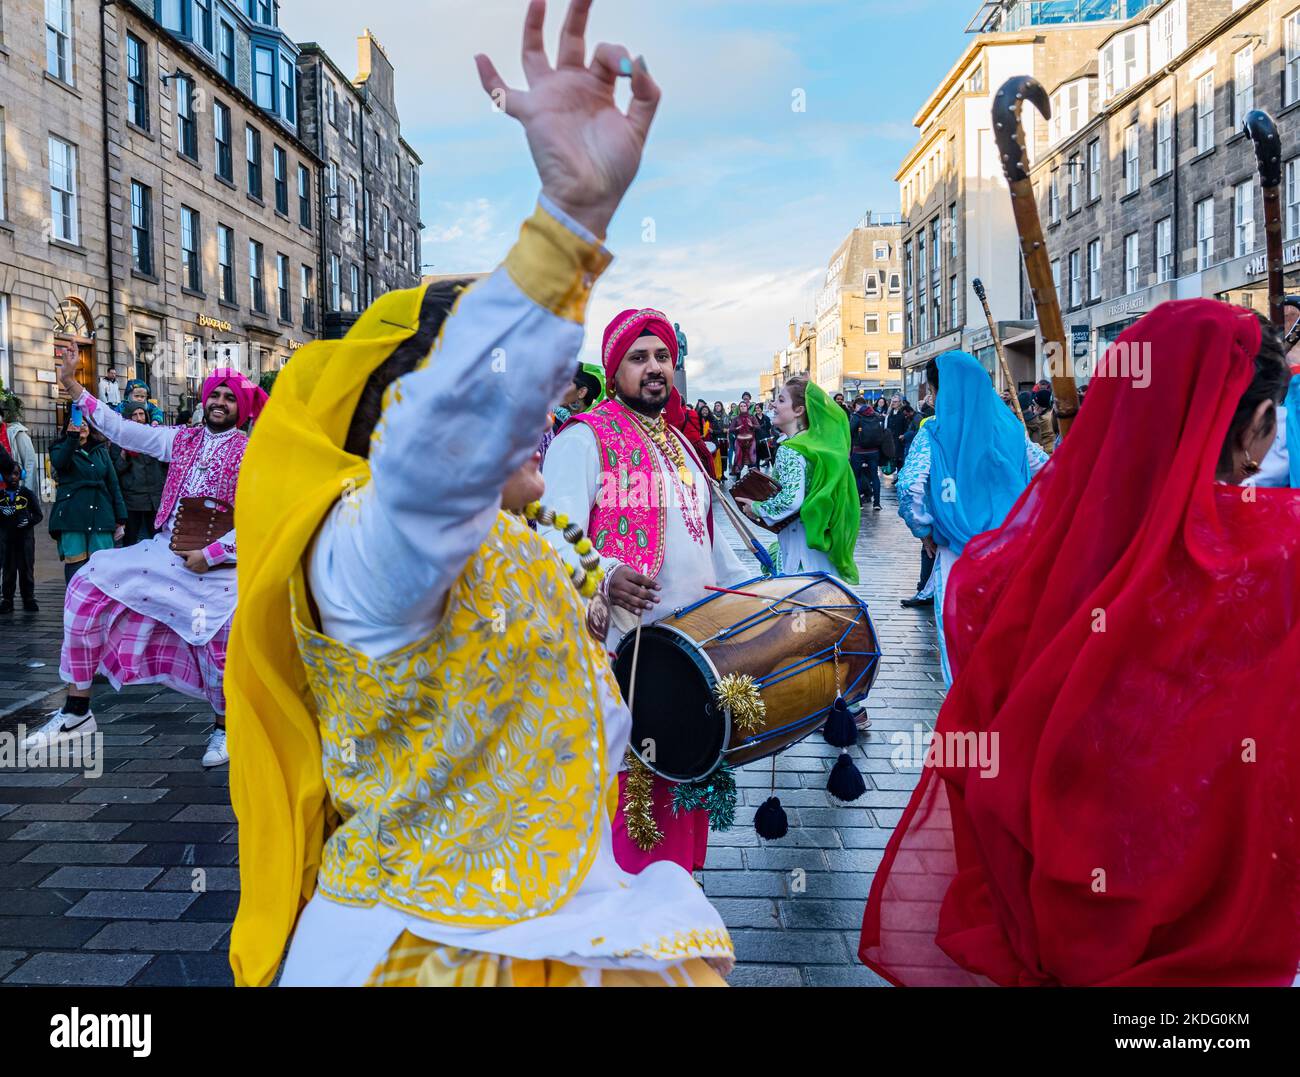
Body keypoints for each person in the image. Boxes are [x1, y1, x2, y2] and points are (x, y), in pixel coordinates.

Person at [226, 0, 733, 988]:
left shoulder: (524, 539)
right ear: (405, 411)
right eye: (518, 387)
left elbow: (497, 657)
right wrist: (567, 230)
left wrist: (596, 608)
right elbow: (438, 464)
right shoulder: (367, 552)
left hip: (570, 922)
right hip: (420, 948)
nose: (546, 405)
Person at [861, 300, 1300, 987]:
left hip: (1078, 921)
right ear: (1259, 425)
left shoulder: (1050, 567)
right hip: (1227, 942)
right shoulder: (1273, 558)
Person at [542, 305, 749, 877]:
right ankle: (628, 932)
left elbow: (709, 542)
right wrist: (605, 572)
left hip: (693, 653)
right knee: (628, 804)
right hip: (624, 657)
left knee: (685, 783)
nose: (653, 367)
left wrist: (758, 598)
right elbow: (550, 533)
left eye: (662, 357)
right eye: (639, 357)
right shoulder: (585, 439)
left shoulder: (682, 447)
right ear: (615, 370)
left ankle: (674, 912)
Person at [23, 361, 266, 769]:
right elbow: (124, 430)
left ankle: (226, 727)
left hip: (220, 566)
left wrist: (212, 555)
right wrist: (74, 390)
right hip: (164, 554)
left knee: (220, 646)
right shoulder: (182, 439)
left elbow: (261, 516)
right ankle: (76, 711)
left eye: (230, 398)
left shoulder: (254, 454)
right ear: (204, 400)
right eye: (216, 395)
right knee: (86, 586)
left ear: (242, 410)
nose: (220, 402)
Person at [896, 352, 1048, 685]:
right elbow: (1048, 471)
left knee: (960, 643)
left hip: (958, 556)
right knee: (1005, 641)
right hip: (1010, 553)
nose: (930, 399)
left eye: (932, 391)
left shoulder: (932, 434)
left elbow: (909, 486)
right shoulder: (1011, 431)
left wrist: (922, 528)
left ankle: (967, 717)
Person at [737, 376, 859, 581]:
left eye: (782, 400)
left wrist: (757, 507)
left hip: (799, 549)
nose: (773, 404)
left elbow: (792, 499)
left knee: (799, 606)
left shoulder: (790, 449)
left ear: (799, 410)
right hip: (817, 545)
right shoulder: (814, 446)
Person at [47, 419, 125, 585]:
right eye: (75, 421)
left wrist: (121, 516)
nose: (81, 426)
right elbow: (61, 463)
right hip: (71, 514)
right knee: (76, 563)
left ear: (90, 428)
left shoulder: (100, 450)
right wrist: (72, 438)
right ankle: (76, 607)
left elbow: (113, 483)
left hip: (101, 512)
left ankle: (100, 608)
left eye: (84, 423)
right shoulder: (59, 447)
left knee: (102, 564)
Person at [111, 402, 167, 547]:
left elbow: (167, 464)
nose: (139, 418)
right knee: (131, 541)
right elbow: (115, 470)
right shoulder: (119, 440)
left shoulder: (154, 436)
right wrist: (124, 454)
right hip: (132, 499)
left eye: (141, 414)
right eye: (134, 415)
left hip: (155, 498)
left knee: (158, 540)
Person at [0, 456, 42, 613]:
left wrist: (28, 521)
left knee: (26, 570)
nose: (12, 477)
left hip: (25, 540)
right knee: (8, 570)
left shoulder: (27, 493)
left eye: (16, 474)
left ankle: (28, 597)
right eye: (9, 474)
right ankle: (7, 599)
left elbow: (38, 515)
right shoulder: (1, 495)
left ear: (21, 475)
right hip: (7, 541)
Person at [849, 403, 885, 509]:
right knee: (875, 476)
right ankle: (877, 503)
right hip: (873, 451)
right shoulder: (876, 416)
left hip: (858, 451)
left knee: (857, 476)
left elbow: (850, 430)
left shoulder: (856, 416)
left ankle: (859, 503)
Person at [729, 400, 758, 477]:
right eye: (741, 406)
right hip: (739, 441)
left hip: (750, 441)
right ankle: (737, 480)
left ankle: (752, 478)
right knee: (738, 456)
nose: (743, 407)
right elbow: (730, 429)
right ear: (739, 408)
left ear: (747, 407)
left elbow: (758, 427)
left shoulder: (752, 417)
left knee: (751, 457)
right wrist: (737, 428)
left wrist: (752, 425)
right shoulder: (736, 418)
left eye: (744, 406)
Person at [1029, 387, 1056, 455]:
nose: (1033, 407)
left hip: (1048, 453)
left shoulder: (1043, 419)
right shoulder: (1051, 413)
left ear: (1040, 406)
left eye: (1034, 404)